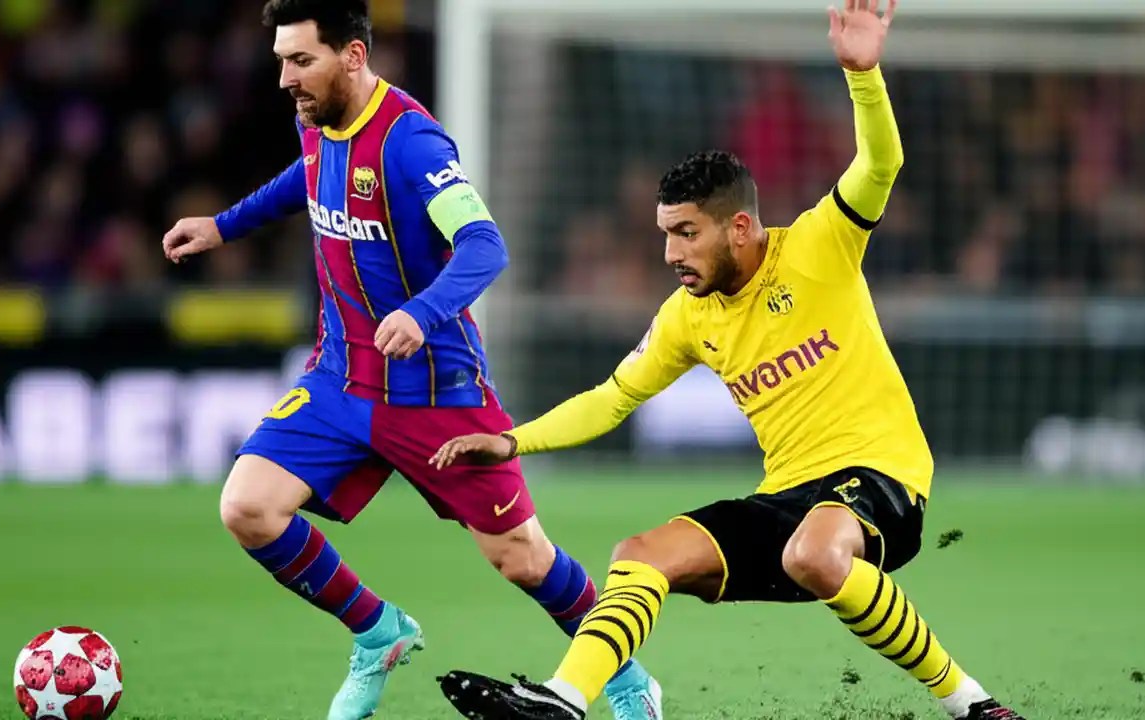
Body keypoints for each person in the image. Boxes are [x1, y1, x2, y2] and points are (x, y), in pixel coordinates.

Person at [430, 2, 1024, 719]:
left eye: (685, 233)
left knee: (815, 553)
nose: (671, 254)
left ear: (740, 226)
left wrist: (863, 74)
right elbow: (613, 396)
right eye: (665, 235)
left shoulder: (819, 246)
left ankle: (974, 706)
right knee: (639, 553)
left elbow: (882, 163)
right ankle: (563, 702)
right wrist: (512, 439)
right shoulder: (688, 316)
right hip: (790, 498)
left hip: (884, 482)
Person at [160, 2, 662, 719]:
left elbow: (487, 246)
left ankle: (626, 678)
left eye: (300, 60)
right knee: (247, 507)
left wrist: (419, 311)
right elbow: (306, 178)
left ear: (354, 58)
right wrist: (224, 225)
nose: (284, 79)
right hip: (341, 378)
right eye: (281, 59)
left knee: (521, 557)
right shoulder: (317, 117)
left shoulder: (412, 144)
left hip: (435, 392)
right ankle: (377, 632)